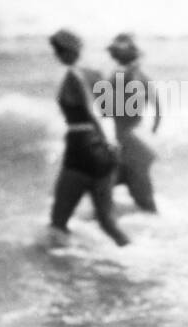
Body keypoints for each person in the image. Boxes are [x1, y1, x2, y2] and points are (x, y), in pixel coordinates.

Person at [47, 29, 128, 246]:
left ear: (71, 50)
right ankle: (141, 258)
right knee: (106, 221)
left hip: (82, 148)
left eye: (59, 50)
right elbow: (111, 111)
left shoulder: (74, 75)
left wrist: (108, 140)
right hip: (102, 152)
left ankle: (61, 274)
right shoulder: (96, 73)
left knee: (58, 222)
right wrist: (112, 143)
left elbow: (92, 111)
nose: (57, 55)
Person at [104, 33, 159, 213]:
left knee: (104, 192)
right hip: (140, 140)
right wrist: (151, 133)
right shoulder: (142, 76)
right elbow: (159, 113)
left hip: (127, 142)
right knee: (145, 202)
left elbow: (106, 110)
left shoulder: (117, 76)